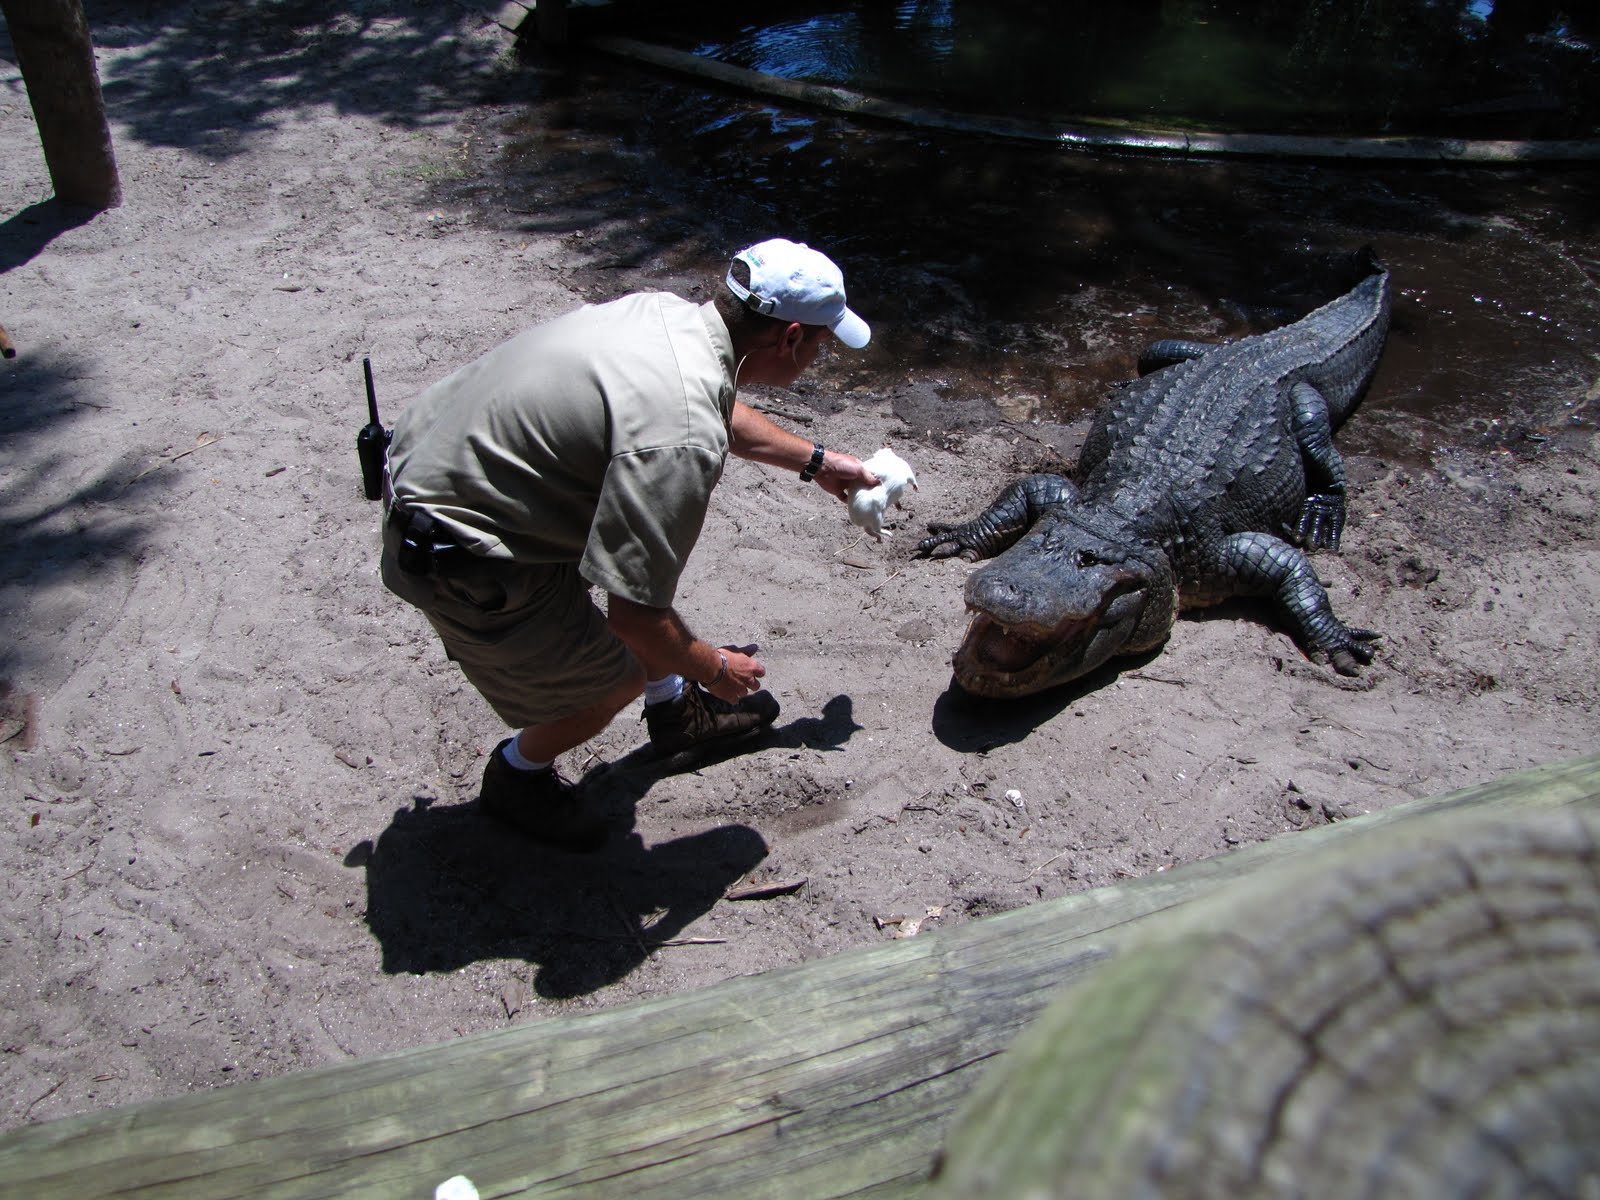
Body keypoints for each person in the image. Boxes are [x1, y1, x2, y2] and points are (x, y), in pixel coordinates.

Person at [379, 237, 879, 852]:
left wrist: (818, 462)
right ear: (791, 338)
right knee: (612, 674)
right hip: (457, 548)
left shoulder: (663, 315)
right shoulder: (681, 430)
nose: (817, 359)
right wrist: (716, 669)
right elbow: (636, 617)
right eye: (823, 345)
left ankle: (674, 713)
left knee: (636, 566)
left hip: (443, 467)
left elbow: (708, 407)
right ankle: (516, 774)